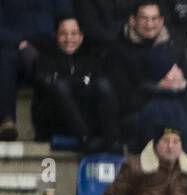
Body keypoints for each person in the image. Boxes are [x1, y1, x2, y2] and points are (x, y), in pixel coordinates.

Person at [31, 16, 121, 151]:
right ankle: (85, 139)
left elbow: (98, 86)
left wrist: (74, 83)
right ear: (56, 36)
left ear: (81, 37)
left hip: (87, 118)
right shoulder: (45, 59)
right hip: (57, 123)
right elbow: (47, 85)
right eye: (63, 34)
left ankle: (111, 141)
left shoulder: (91, 59)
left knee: (104, 85)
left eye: (74, 34)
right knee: (59, 87)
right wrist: (82, 82)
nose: (69, 39)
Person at [0, 0, 74, 141]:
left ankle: (58, 128)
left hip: (50, 46)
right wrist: (19, 42)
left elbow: (67, 16)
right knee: (6, 57)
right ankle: (7, 121)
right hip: (17, 47)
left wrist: (60, 38)